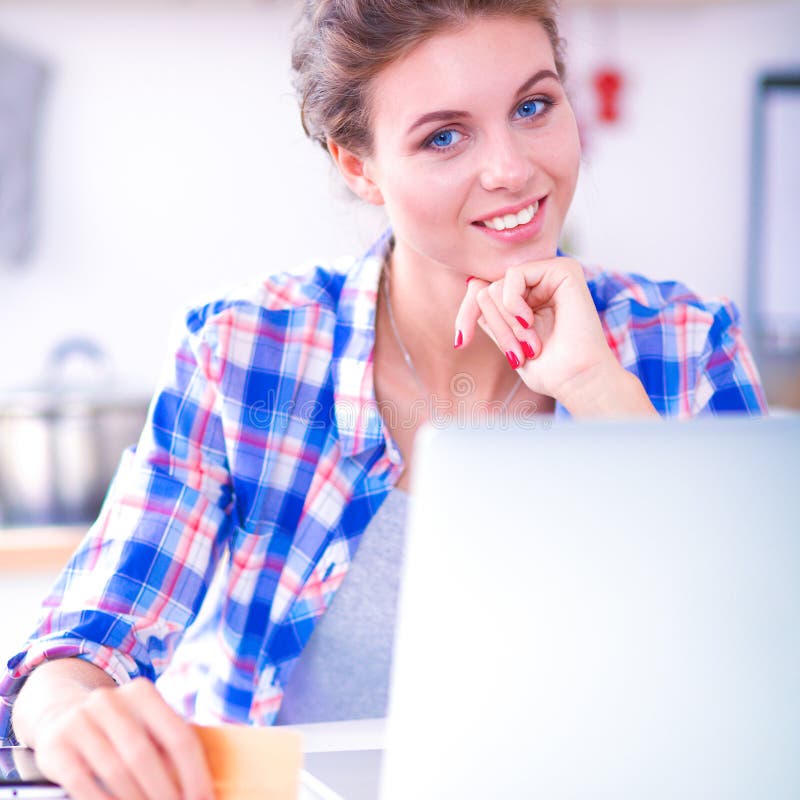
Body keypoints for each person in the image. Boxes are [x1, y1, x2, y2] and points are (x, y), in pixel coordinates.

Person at [1, 1, 768, 798]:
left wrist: (598, 394)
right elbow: (83, 644)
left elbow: (760, 659)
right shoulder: (247, 351)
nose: (510, 169)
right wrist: (63, 710)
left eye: (533, 107)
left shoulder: (684, 344)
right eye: (444, 136)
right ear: (358, 167)